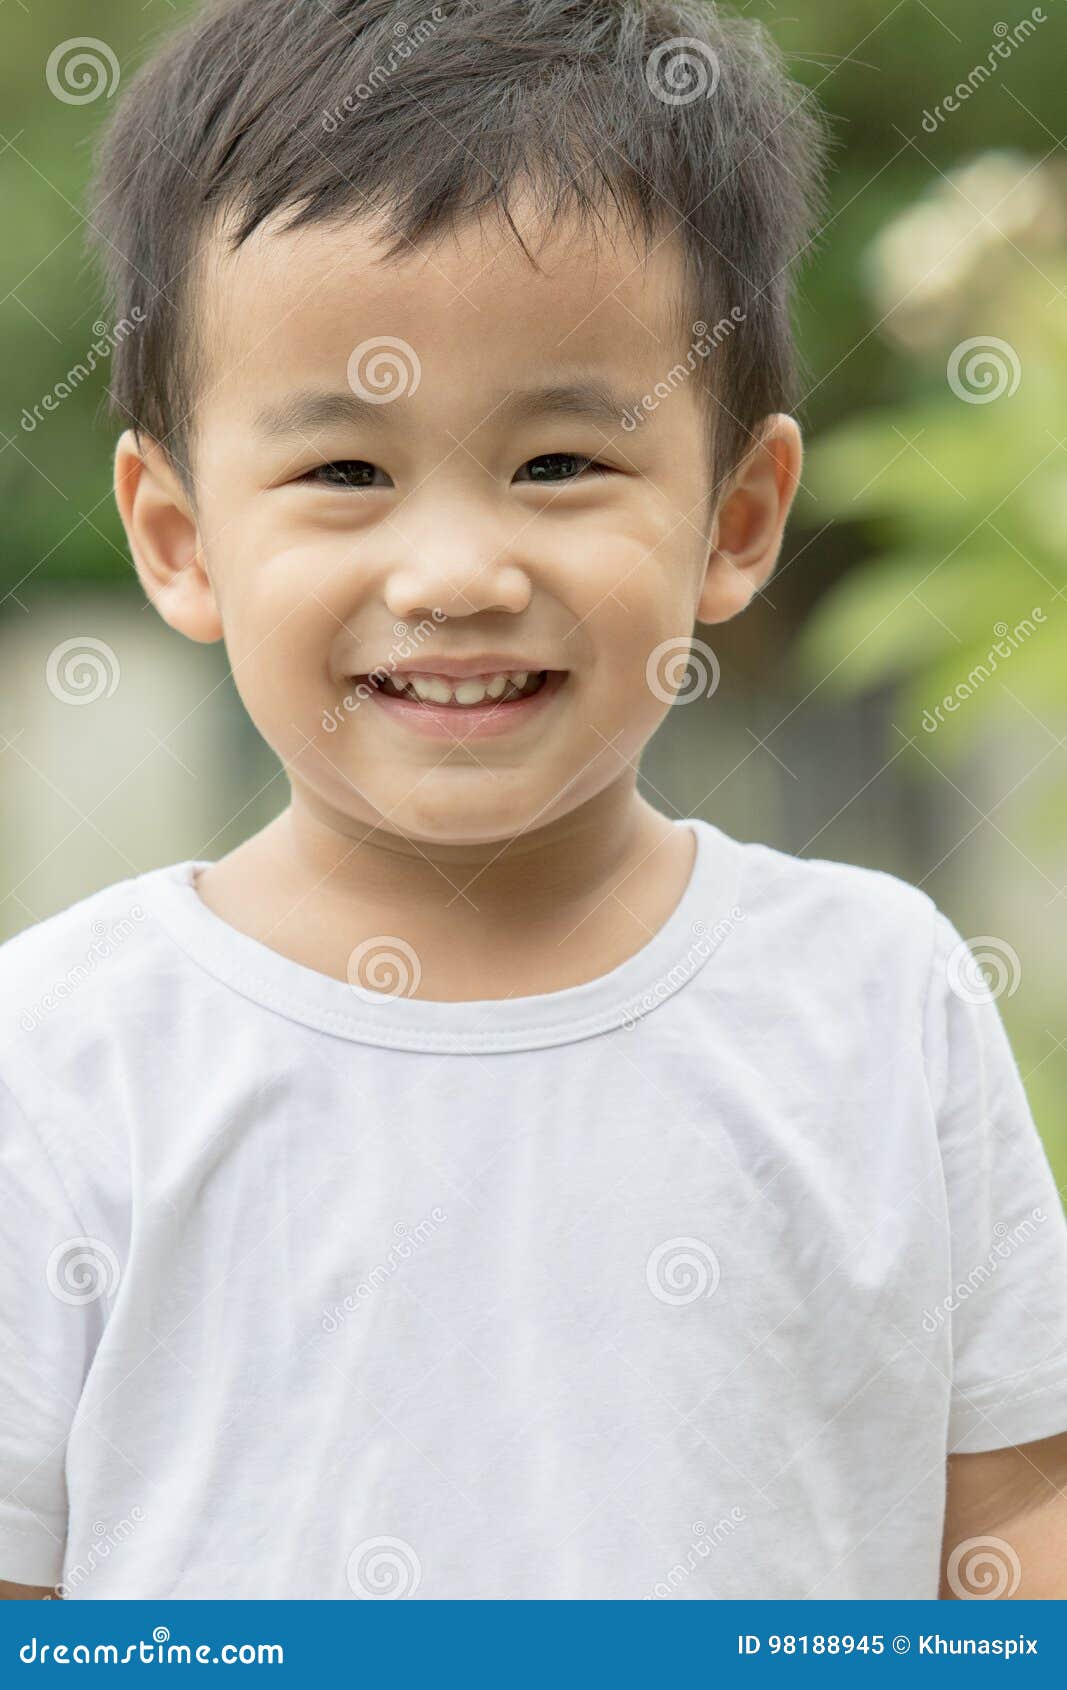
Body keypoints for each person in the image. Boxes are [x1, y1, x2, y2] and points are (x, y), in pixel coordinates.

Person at [2, 0, 1066, 1601]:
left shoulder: (878, 997)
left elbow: (1015, 1515)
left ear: (737, 517)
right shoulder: (61, 1054)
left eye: (561, 463)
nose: (455, 574)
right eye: (345, 473)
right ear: (178, 536)